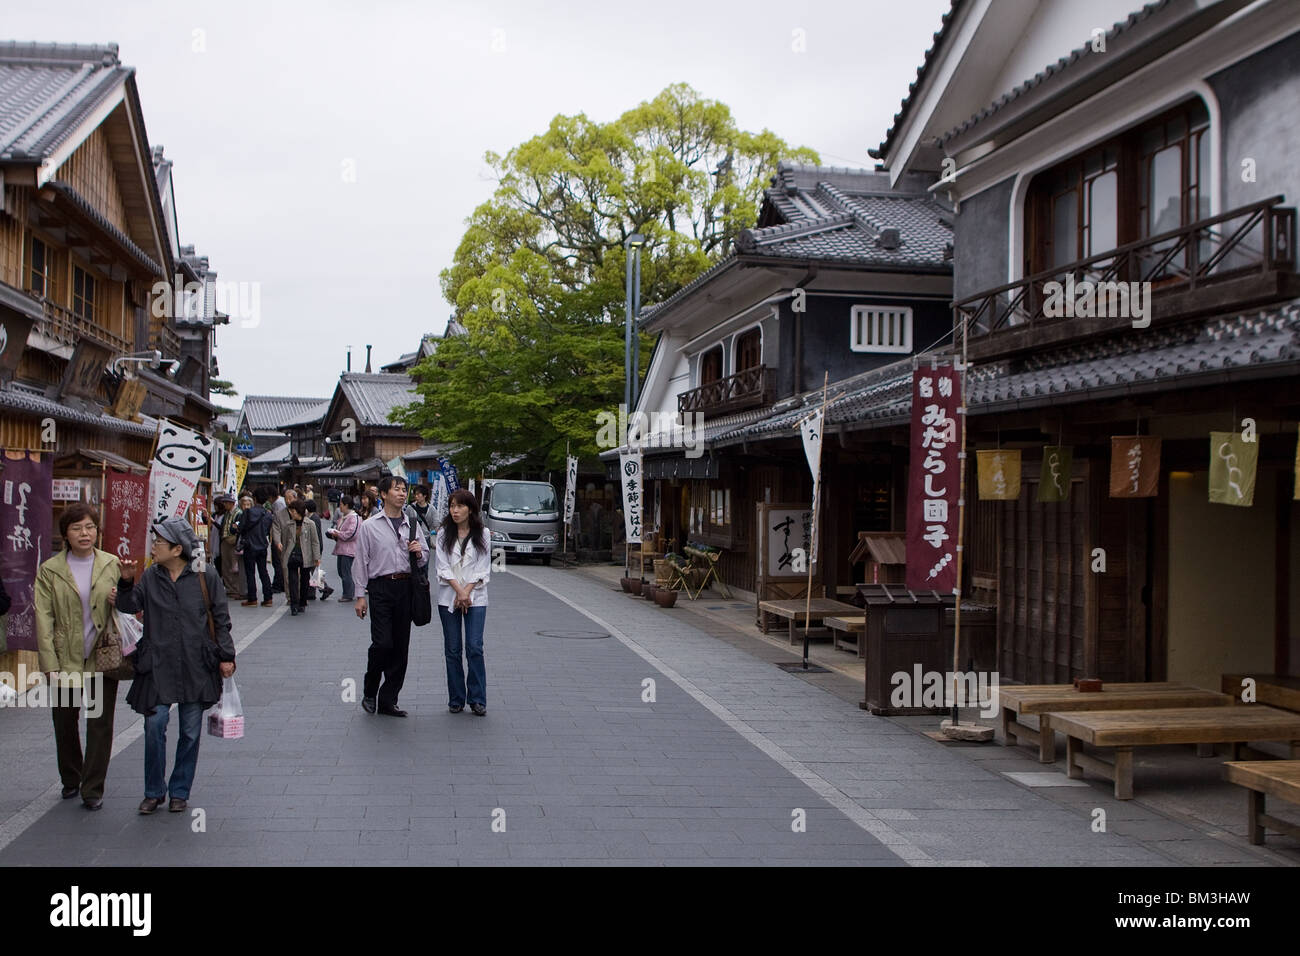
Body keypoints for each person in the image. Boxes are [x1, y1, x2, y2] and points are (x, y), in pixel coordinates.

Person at [118, 517, 235, 814]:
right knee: (154, 725)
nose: (154, 546)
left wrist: (226, 656)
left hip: (196, 664)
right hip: (158, 664)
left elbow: (221, 618)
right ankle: (154, 791)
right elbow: (129, 606)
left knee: (191, 732)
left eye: (158, 542)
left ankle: (180, 791)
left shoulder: (205, 576)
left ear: (176, 548)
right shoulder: (150, 577)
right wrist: (126, 581)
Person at [34, 503, 121, 811]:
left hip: (102, 654)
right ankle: (71, 778)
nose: (85, 534)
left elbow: (127, 608)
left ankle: (93, 788)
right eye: (77, 528)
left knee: (100, 723)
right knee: (65, 720)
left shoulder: (111, 563)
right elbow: (43, 619)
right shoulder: (50, 570)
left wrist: (120, 596)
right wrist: (49, 665)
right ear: (65, 535)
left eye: (90, 527)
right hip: (65, 656)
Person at [352, 475, 426, 717]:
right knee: (382, 643)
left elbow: (424, 556)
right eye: (397, 489)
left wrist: (418, 552)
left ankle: (388, 699)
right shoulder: (370, 526)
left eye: (405, 490)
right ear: (383, 494)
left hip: (405, 588)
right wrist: (359, 595)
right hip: (380, 588)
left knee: (400, 647)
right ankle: (370, 690)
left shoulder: (412, 523)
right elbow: (361, 561)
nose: (403, 494)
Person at [435, 490, 491, 716]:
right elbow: (442, 566)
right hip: (449, 595)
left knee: (475, 647)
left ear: (470, 508)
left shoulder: (483, 533)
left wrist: (467, 592)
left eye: (459, 506)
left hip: (475, 597)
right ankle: (456, 698)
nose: (455, 511)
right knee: (453, 649)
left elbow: (483, 567)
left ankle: (477, 698)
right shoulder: (442, 534)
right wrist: (459, 591)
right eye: (451, 506)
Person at [281, 499, 321, 615]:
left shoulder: (310, 524)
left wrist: (317, 557)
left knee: (305, 581)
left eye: (293, 511)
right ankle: (294, 604)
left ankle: (302, 602)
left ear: (298, 511)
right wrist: (284, 556)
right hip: (292, 555)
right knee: (292, 581)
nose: (291, 513)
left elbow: (315, 541)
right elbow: (285, 541)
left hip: (305, 555)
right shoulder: (288, 525)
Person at [238, 490, 274, 607]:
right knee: (263, 572)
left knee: (250, 572)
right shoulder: (268, 514)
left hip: (249, 545)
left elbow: (241, 528)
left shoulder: (247, 513)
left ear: (255, 499)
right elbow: (268, 530)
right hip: (262, 545)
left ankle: (252, 598)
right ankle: (268, 598)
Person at [326, 494, 360, 602]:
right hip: (341, 548)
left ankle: (348, 594)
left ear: (346, 505)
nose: (340, 507)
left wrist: (338, 534)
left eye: (341, 505)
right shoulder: (343, 517)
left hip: (349, 550)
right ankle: (349, 591)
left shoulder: (354, 518)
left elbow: (351, 534)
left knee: (346, 572)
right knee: (341, 572)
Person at [217, 495, 245, 601]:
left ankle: (236, 588)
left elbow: (237, 527)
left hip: (233, 541)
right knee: (226, 565)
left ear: (231, 503)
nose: (224, 505)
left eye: (226, 503)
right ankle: (229, 588)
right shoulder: (227, 513)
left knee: (234, 566)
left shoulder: (238, 513)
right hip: (225, 540)